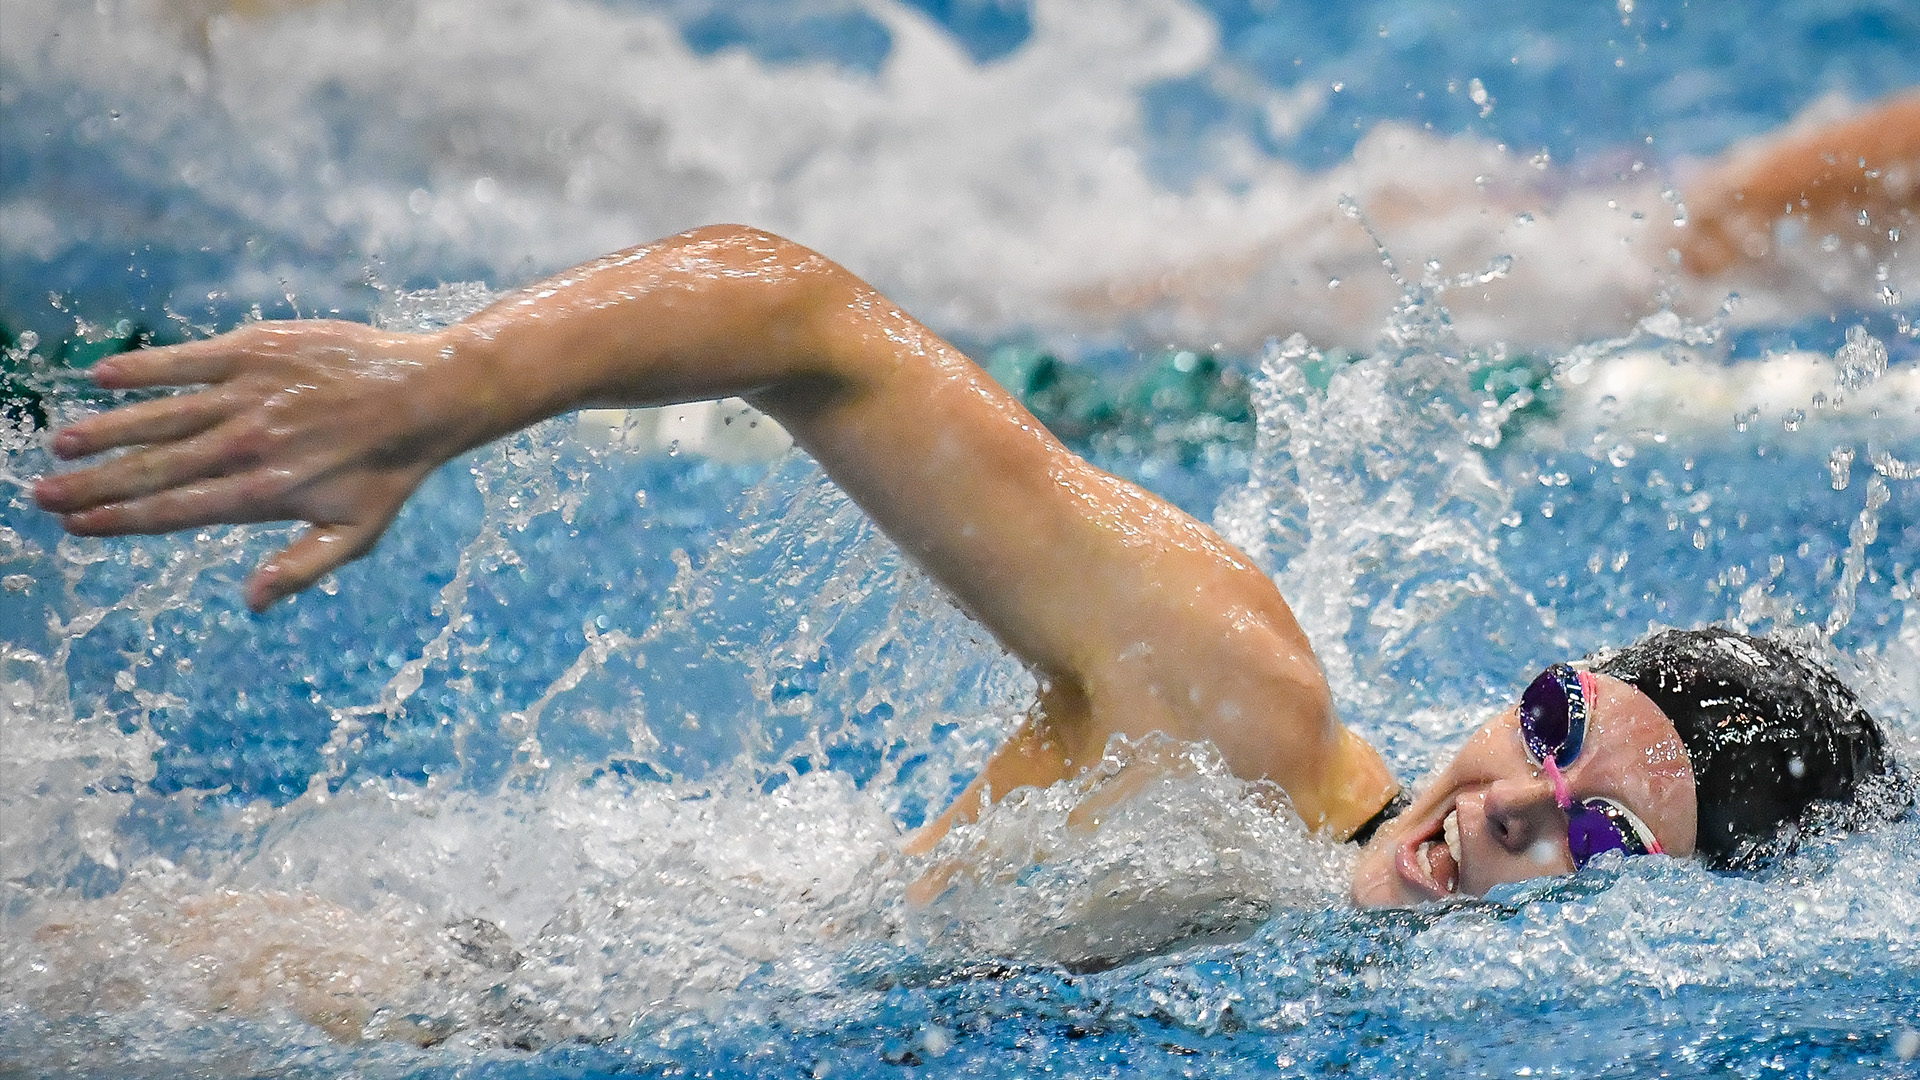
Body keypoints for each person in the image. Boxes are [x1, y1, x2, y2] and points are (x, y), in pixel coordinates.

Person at [30, 210, 1906, 912]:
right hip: (460, 986)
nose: (1513, 806)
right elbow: (803, 313)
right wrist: (440, 387)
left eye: (1595, 839)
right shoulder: (1239, 712)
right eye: (1559, 727)